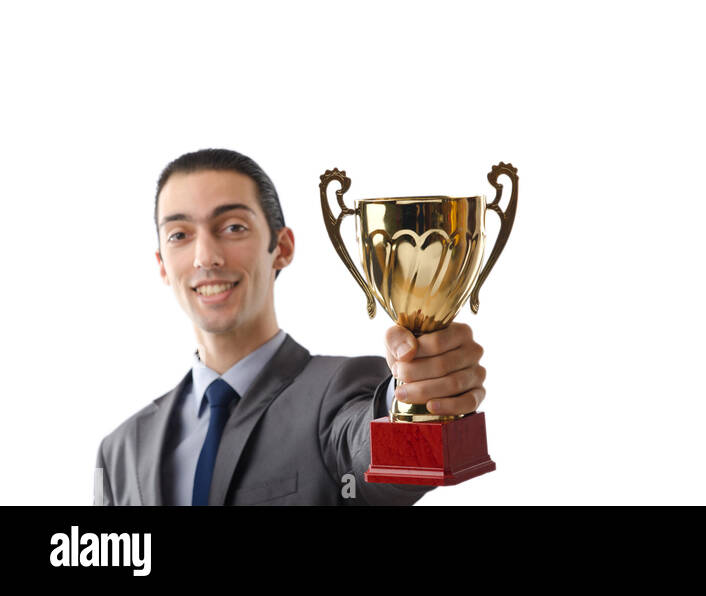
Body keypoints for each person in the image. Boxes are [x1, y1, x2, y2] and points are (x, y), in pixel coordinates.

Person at [96, 148, 488, 505]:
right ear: (162, 263)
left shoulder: (339, 392)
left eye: (233, 227)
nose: (206, 256)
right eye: (179, 235)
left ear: (281, 248)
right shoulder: (120, 451)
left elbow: (372, 459)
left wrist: (413, 398)